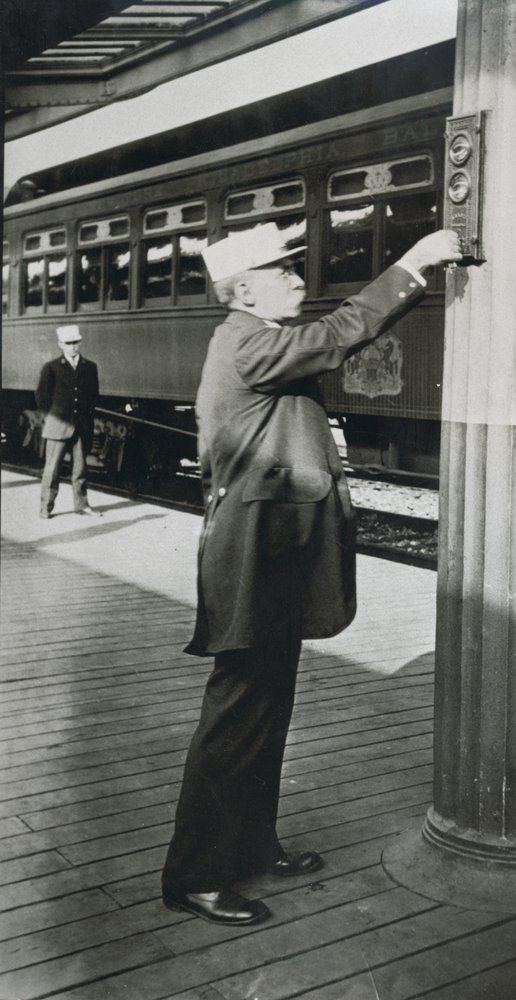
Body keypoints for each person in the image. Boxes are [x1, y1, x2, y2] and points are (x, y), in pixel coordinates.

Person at [162, 223, 463, 925]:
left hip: (276, 552)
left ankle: (252, 845)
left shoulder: (259, 342)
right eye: (284, 270)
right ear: (243, 290)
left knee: (266, 710)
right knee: (236, 717)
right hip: (254, 556)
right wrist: (413, 265)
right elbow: (338, 334)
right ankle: (195, 874)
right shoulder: (247, 338)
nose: (299, 278)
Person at [36, 324, 101, 519]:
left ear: (79, 343)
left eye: (75, 342)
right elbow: (41, 395)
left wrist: (86, 417)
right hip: (58, 426)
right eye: (68, 343)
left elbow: (93, 395)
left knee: (80, 469)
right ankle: (45, 508)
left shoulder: (90, 367)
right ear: (60, 345)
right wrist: (53, 417)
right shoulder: (52, 367)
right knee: (52, 470)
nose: (72, 347)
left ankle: (81, 505)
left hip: (81, 426)